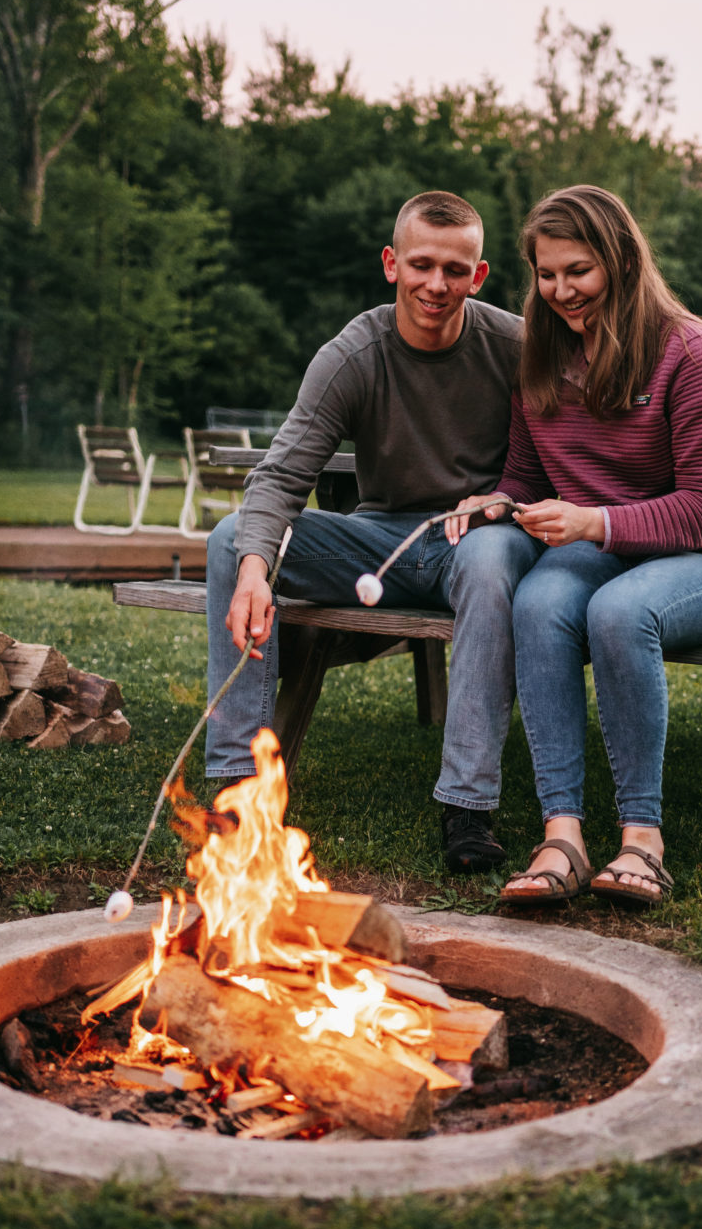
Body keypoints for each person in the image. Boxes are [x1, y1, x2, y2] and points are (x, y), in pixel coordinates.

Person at [436, 184, 702, 907]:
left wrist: (594, 523)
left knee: (617, 612)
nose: (560, 291)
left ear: (619, 260)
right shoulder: (543, 357)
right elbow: (524, 475)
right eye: (547, 274)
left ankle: (643, 841)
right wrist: (494, 501)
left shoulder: (694, 354)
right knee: (542, 595)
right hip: (603, 553)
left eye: (577, 271)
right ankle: (564, 836)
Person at [205, 190, 522, 874]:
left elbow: (595, 439)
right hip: (378, 541)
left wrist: (505, 497)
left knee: (491, 559)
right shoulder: (354, 353)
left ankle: (468, 807)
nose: (436, 284)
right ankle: (237, 788)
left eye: (455, 269)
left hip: (479, 543)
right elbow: (280, 476)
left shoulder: (515, 348)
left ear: (480, 274)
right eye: (421, 264)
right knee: (234, 538)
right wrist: (256, 569)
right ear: (390, 263)